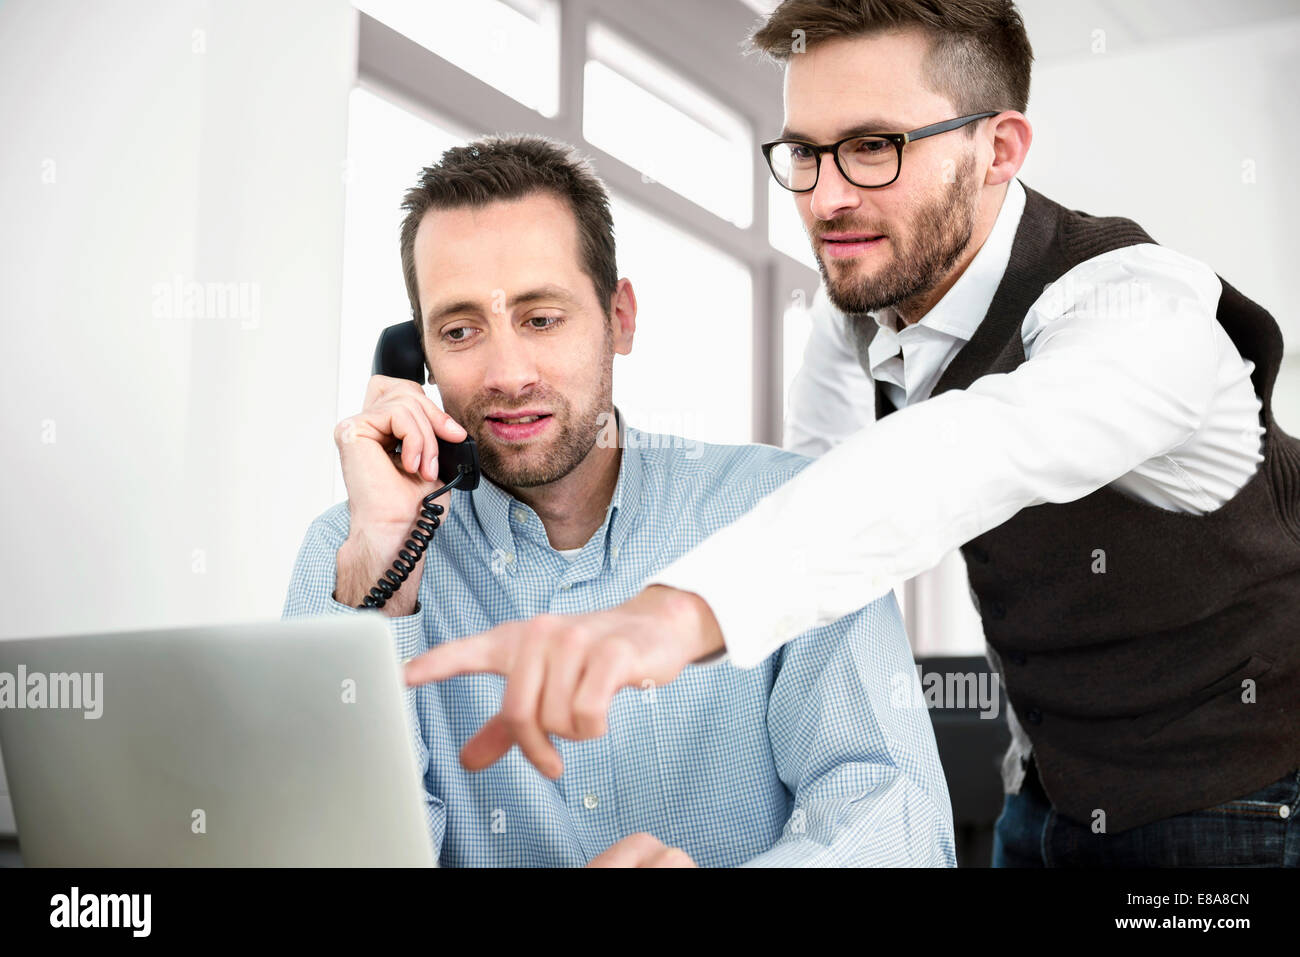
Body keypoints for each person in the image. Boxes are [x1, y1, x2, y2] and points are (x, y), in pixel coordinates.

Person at [405, 0, 1300, 867]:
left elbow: (968, 453)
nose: (827, 197)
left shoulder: (1136, 306)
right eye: (805, 152)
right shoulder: (861, 318)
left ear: (998, 148)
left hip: (1248, 792)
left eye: (874, 147)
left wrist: (665, 615)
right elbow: (821, 502)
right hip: (1048, 793)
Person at [283, 134, 955, 867]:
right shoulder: (351, 552)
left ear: (619, 318)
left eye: (542, 318)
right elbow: (313, 851)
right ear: (416, 358)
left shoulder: (790, 513)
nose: (508, 374)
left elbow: (901, 823)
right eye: (460, 330)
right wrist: (380, 588)